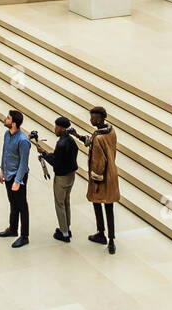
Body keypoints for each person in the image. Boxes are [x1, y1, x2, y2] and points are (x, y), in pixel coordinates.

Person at [80, 106, 120, 254]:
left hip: (101, 178)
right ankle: (111, 240)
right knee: (109, 208)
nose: (90, 119)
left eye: (92, 117)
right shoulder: (111, 131)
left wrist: (95, 181)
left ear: (99, 118)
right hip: (112, 174)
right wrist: (79, 136)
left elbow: (98, 162)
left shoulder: (98, 138)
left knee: (98, 203)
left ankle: (101, 233)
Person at [39, 116, 79, 243]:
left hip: (61, 177)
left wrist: (45, 154)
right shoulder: (71, 141)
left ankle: (64, 233)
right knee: (66, 201)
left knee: (59, 203)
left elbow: (56, 162)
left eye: (56, 127)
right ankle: (67, 227)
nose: (54, 129)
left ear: (62, 128)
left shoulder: (61, 143)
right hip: (71, 175)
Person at [0, 108, 30, 248]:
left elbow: (23, 163)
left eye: (8, 118)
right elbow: (5, 152)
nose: (6, 119)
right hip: (8, 173)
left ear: (14, 123)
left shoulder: (23, 141)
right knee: (12, 202)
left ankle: (24, 236)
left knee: (22, 205)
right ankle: (13, 228)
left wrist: (17, 181)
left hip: (18, 176)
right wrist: (2, 170)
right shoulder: (7, 134)